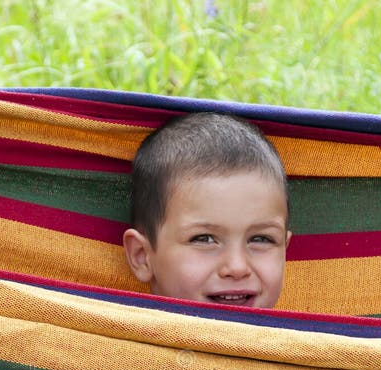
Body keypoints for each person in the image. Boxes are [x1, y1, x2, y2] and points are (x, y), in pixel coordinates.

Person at [123, 112, 291, 309]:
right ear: (142, 256)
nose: (237, 267)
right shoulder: (99, 329)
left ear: (284, 251)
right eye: (204, 239)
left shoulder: (315, 327)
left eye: (261, 239)